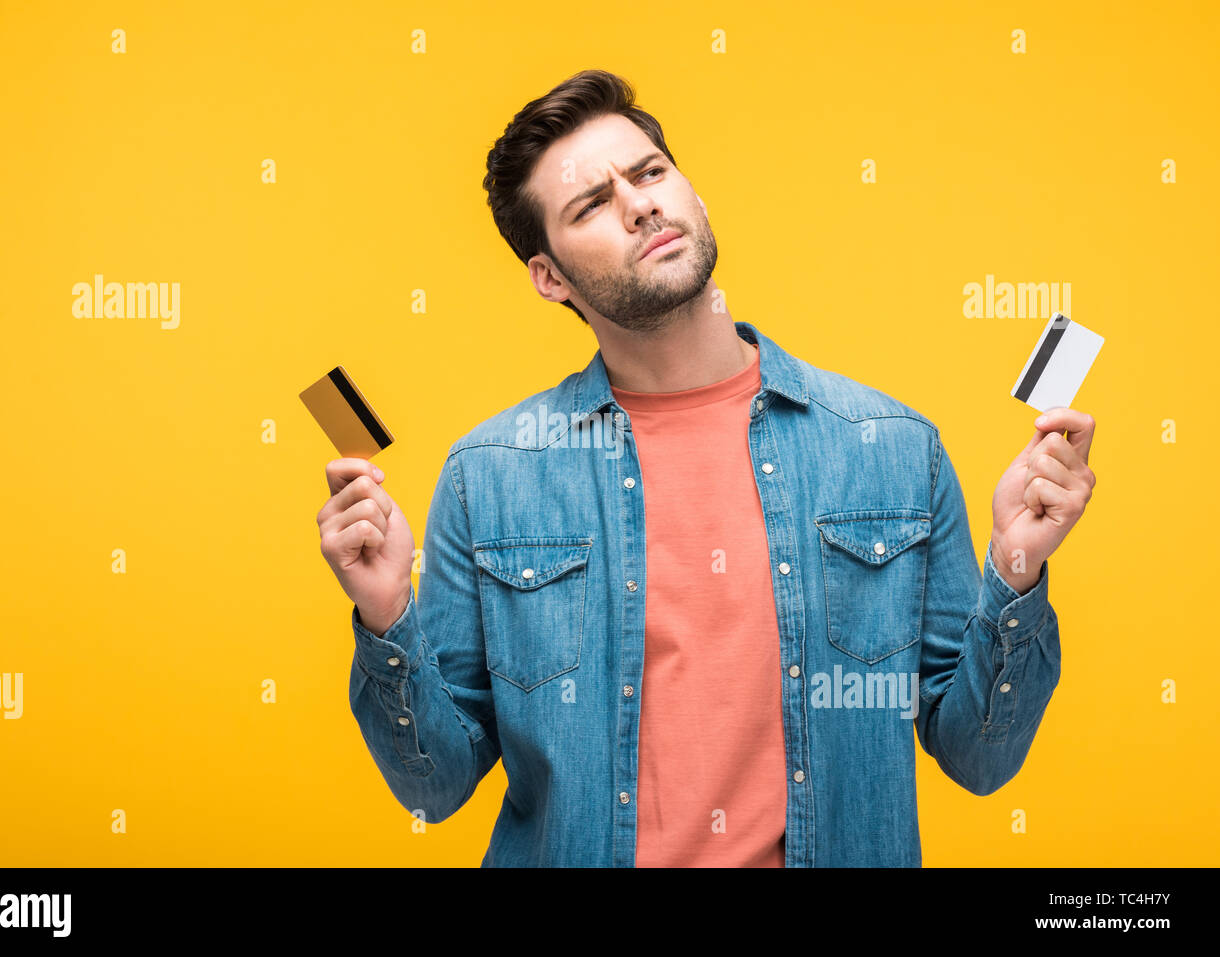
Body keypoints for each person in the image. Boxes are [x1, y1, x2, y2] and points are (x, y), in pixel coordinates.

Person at [315, 69, 1096, 867]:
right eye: (591, 204)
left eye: (650, 172)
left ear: (694, 195)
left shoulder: (890, 446)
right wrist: (385, 617)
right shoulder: (493, 477)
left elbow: (980, 757)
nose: (640, 203)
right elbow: (433, 787)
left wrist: (1017, 566)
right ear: (549, 277)